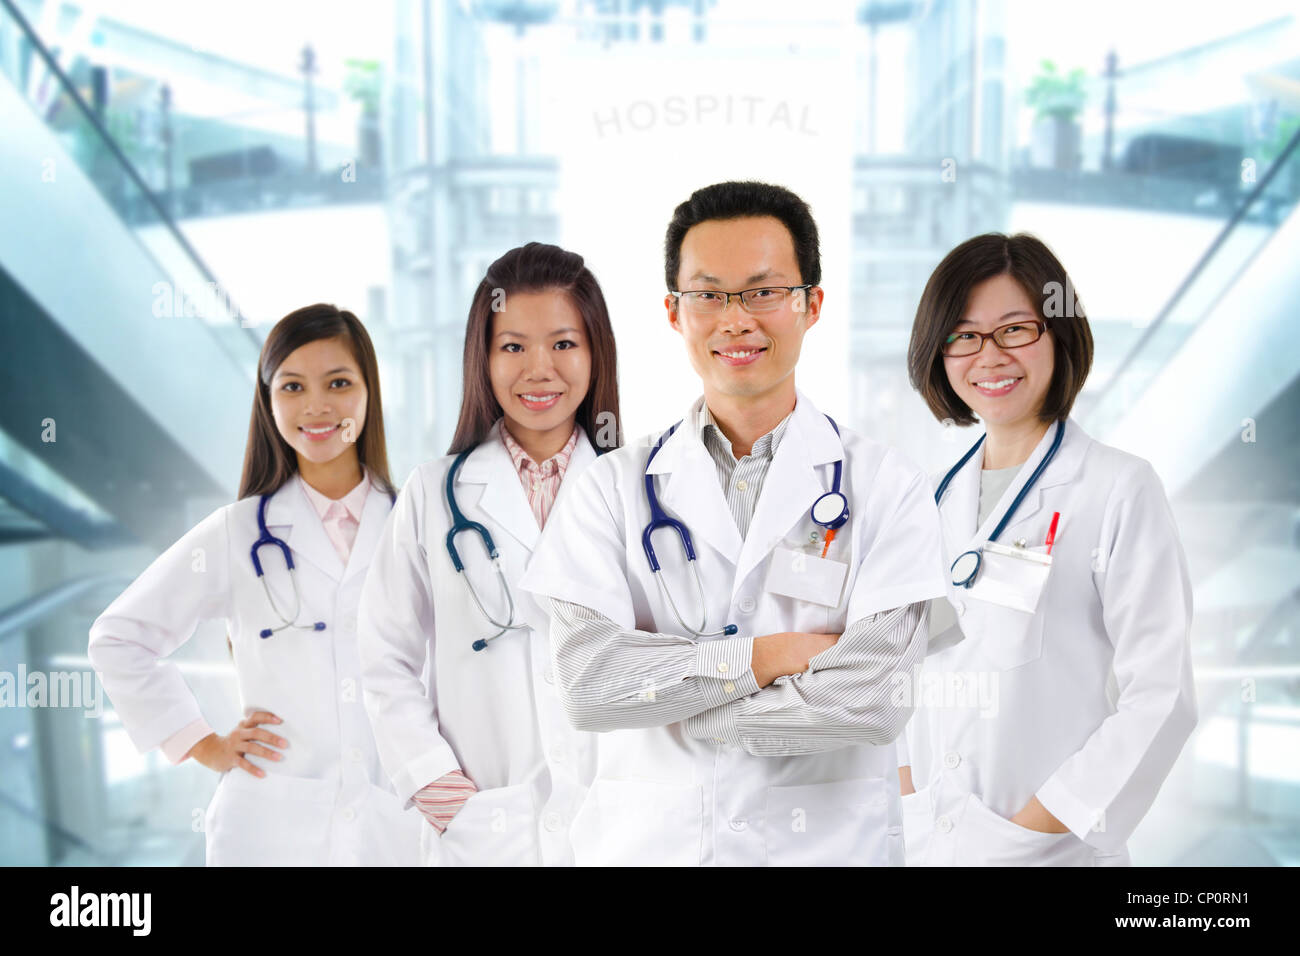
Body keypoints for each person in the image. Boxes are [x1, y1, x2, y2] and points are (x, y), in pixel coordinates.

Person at [519, 181, 947, 866]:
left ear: (812, 304)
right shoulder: (608, 489)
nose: (735, 319)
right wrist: (768, 657)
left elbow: (871, 697)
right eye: (709, 295)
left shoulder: (886, 484)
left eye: (762, 292)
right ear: (673, 312)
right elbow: (591, 684)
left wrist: (676, 704)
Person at [898, 232, 1197, 865]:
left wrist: (1028, 832)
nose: (990, 355)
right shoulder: (926, 501)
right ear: (939, 352)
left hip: (1045, 851)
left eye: (1015, 329)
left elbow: (1161, 695)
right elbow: (900, 676)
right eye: (964, 334)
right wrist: (910, 802)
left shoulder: (1117, 487)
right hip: (926, 843)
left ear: (1059, 335)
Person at [88, 304, 420, 866]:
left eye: (338, 383)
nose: (316, 406)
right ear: (270, 403)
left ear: (369, 394)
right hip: (268, 832)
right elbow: (119, 637)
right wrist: (203, 744)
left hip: (398, 829)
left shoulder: (419, 526)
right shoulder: (237, 534)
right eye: (292, 386)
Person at [357, 242, 620, 866]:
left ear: (594, 352)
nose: (539, 369)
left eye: (563, 343)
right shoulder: (433, 494)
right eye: (513, 347)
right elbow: (382, 652)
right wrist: (439, 789)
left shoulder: (636, 490)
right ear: (483, 357)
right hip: (486, 831)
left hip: (614, 824)